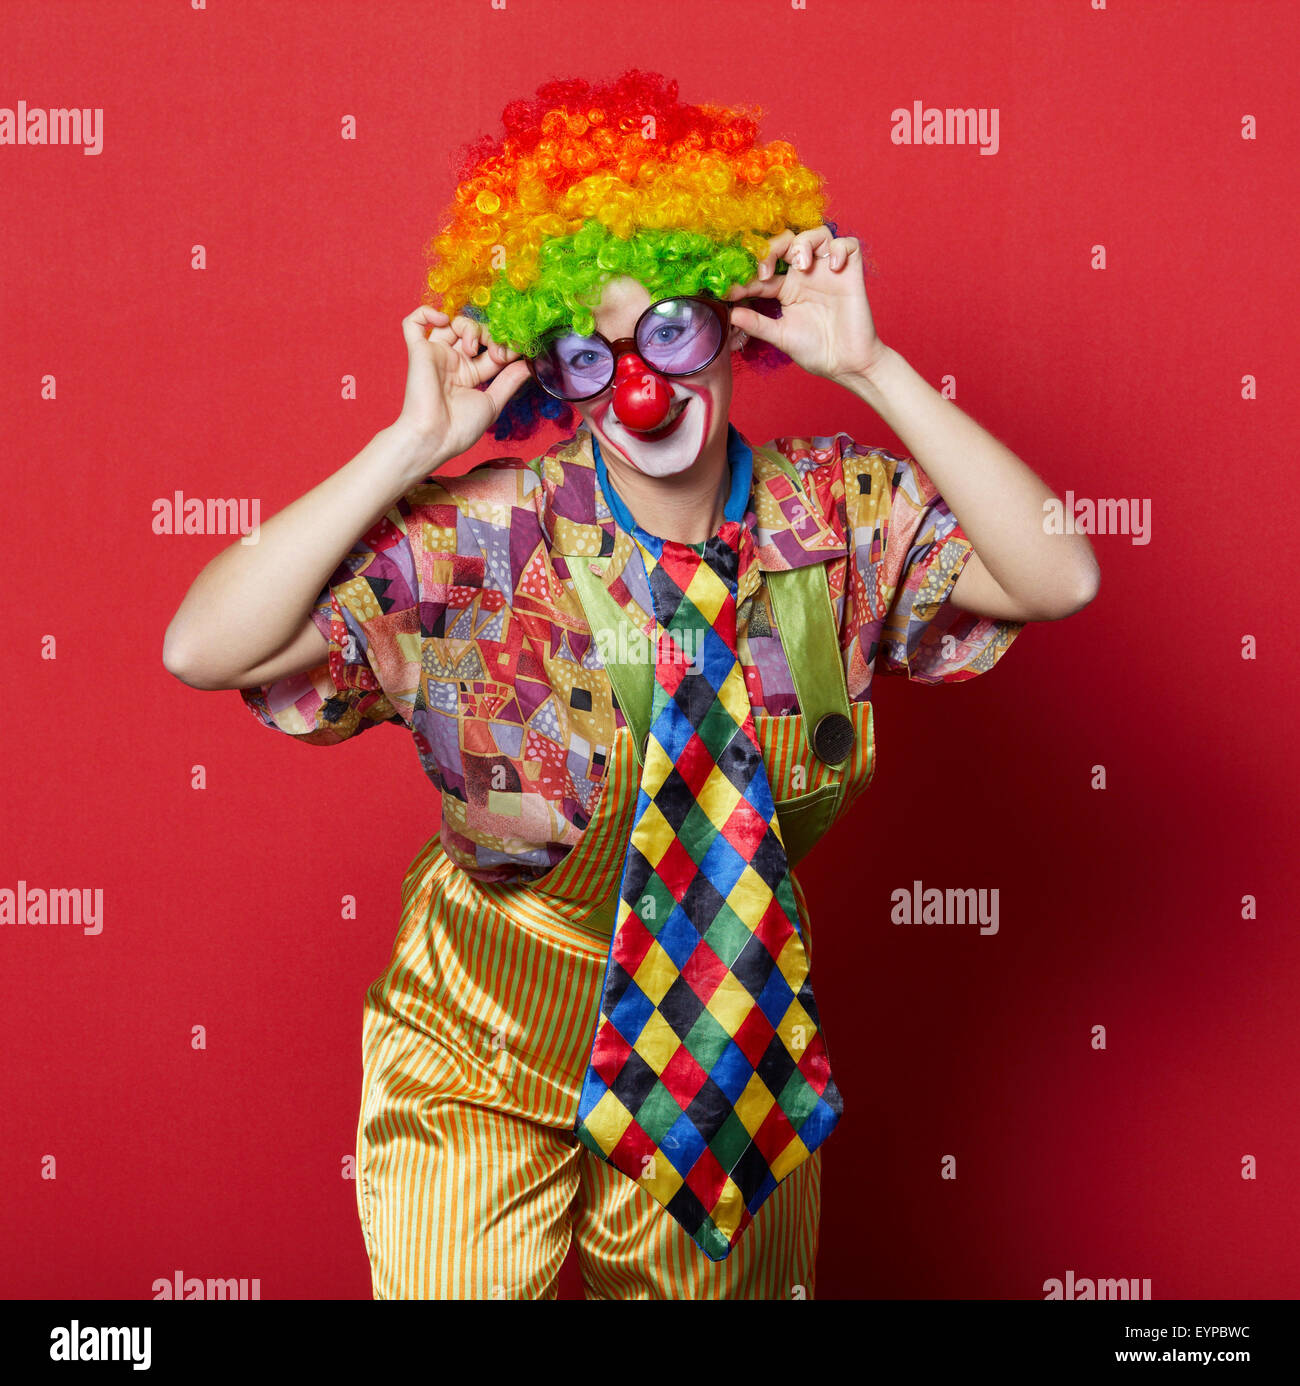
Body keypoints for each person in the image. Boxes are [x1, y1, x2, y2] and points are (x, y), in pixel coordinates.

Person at [163, 69, 1098, 1299]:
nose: (641, 383)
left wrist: (871, 366)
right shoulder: (482, 542)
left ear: (727, 318)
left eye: (666, 327)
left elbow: (1059, 575)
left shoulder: (841, 514)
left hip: (718, 1039)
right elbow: (204, 647)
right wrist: (407, 449)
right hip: (482, 1048)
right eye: (590, 354)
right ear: (558, 379)